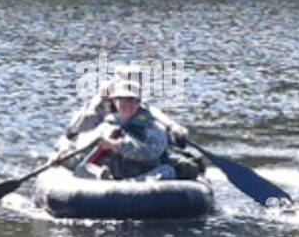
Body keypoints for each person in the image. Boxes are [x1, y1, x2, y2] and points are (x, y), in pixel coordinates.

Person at [59, 76, 203, 178]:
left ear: (139, 102)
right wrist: (63, 157)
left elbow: (150, 154)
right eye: (121, 100)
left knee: (167, 170)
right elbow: (82, 146)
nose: (126, 104)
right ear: (115, 102)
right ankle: (102, 176)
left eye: (131, 100)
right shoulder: (107, 125)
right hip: (116, 172)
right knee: (79, 166)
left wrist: (118, 146)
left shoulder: (154, 128)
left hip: (143, 174)